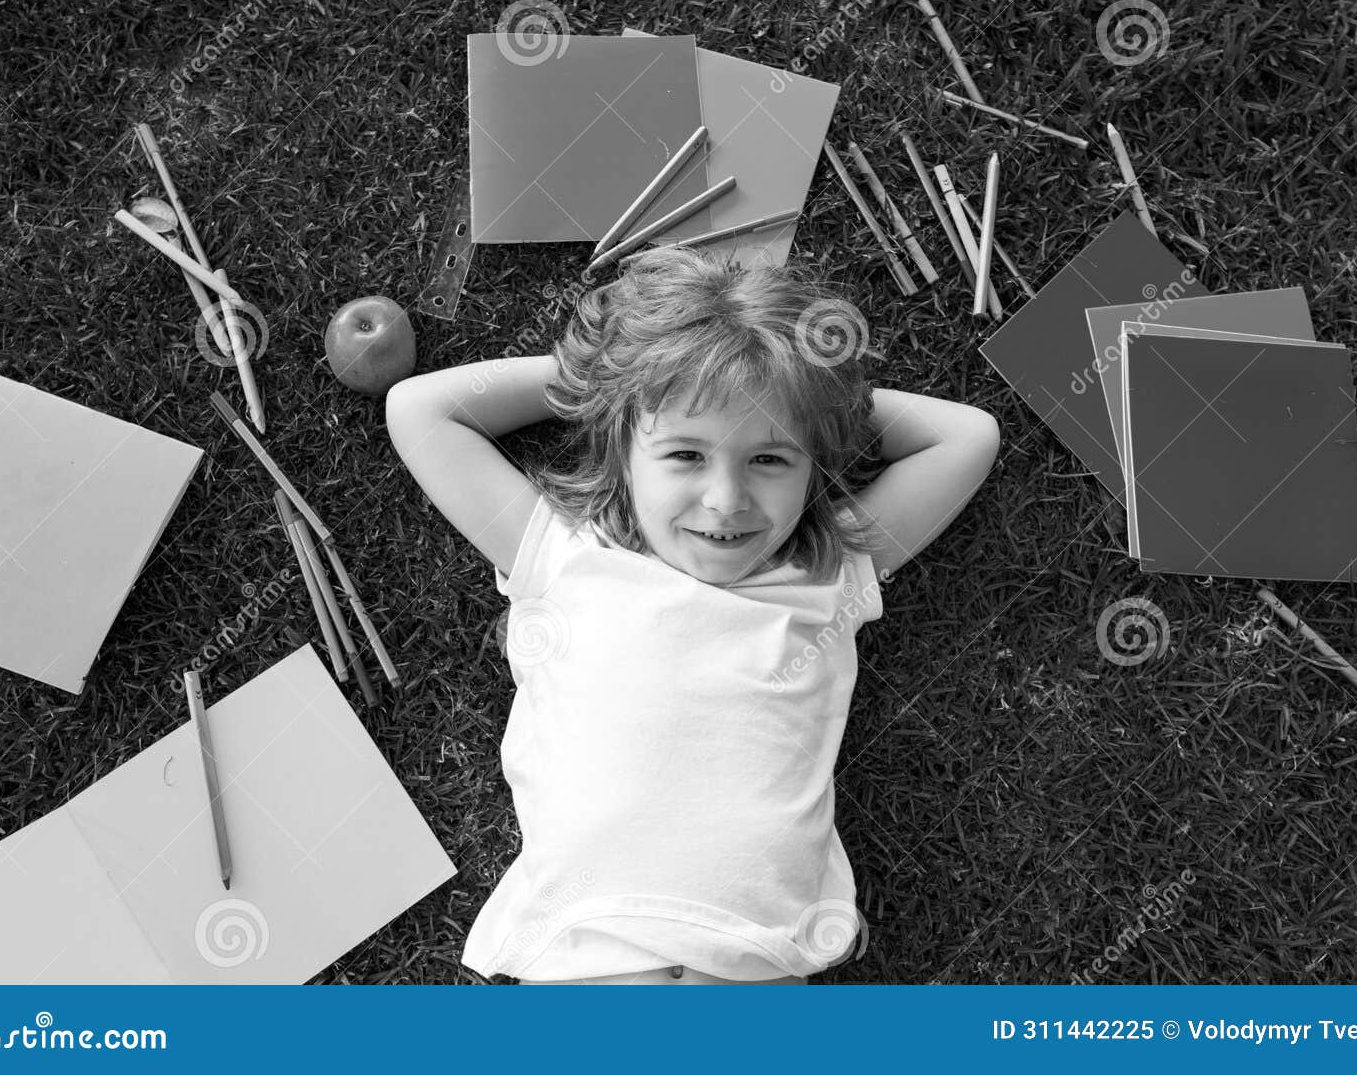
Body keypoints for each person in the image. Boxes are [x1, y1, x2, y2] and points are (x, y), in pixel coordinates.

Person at [387, 247, 1000, 983]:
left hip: (760, 962)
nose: (726, 501)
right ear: (621, 447)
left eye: (770, 460)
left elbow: (967, 438)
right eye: (684, 454)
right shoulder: (562, 554)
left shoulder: (824, 577)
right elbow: (420, 411)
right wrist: (617, 376)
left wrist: (808, 394)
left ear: (812, 467)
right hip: (585, 954)